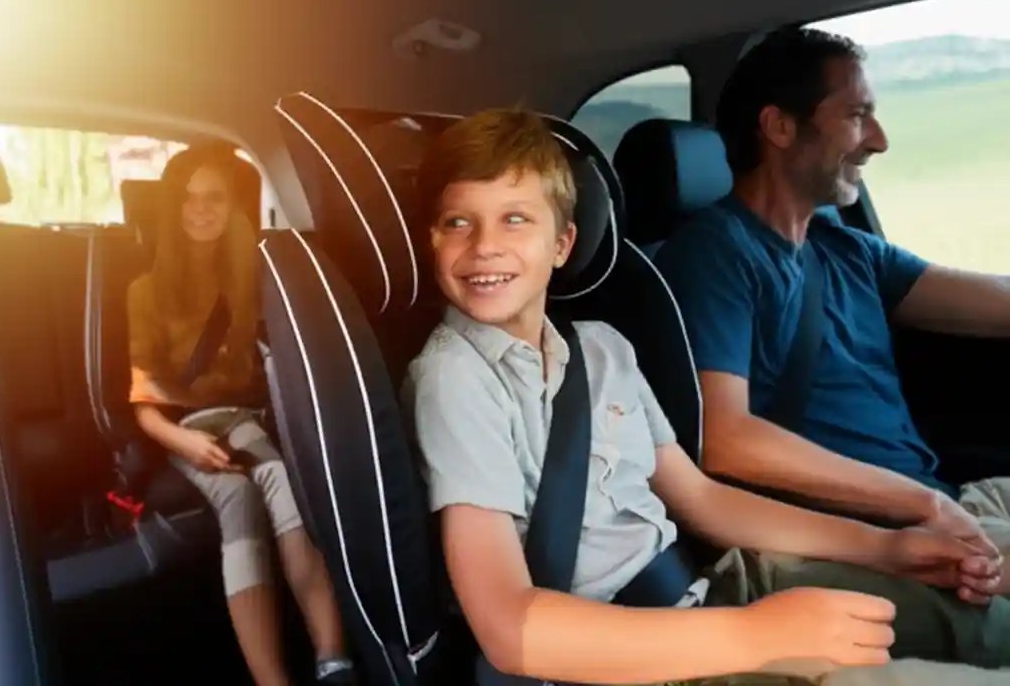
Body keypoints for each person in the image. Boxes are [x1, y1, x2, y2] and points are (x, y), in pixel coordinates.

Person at [402, 107, 1003, 685]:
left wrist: (887, 549)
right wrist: (756, 637)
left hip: (713, 593)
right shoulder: (454, 379)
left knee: (983, 622)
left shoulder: (601, 349)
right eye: (459, 222)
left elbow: (701, 498)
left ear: (562, 245)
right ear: (433, 240)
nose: (483, 245)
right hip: (636, 655)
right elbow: (510, 628)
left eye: (515, 219)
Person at [653, 26, 1010, 667]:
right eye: (856, 115)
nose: (879, 140)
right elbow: (723, 437)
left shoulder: (843, 247)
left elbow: (994, 302)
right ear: (780, 127)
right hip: (849, 535)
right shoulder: (715, 255)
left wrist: (932, 505)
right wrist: (918, 504)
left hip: (936, 506)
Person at [127, 143, 354, 685]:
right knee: (238, 497)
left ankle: (333, 659)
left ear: (234, 206)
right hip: (186, 426)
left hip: (251, 417)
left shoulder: (257, 274)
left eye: (214, 198)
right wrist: (181, 444)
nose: (200, 209)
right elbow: (144, 402)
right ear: (170, 207)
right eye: (187, 199)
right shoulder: (146, 291)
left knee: (280, 478)